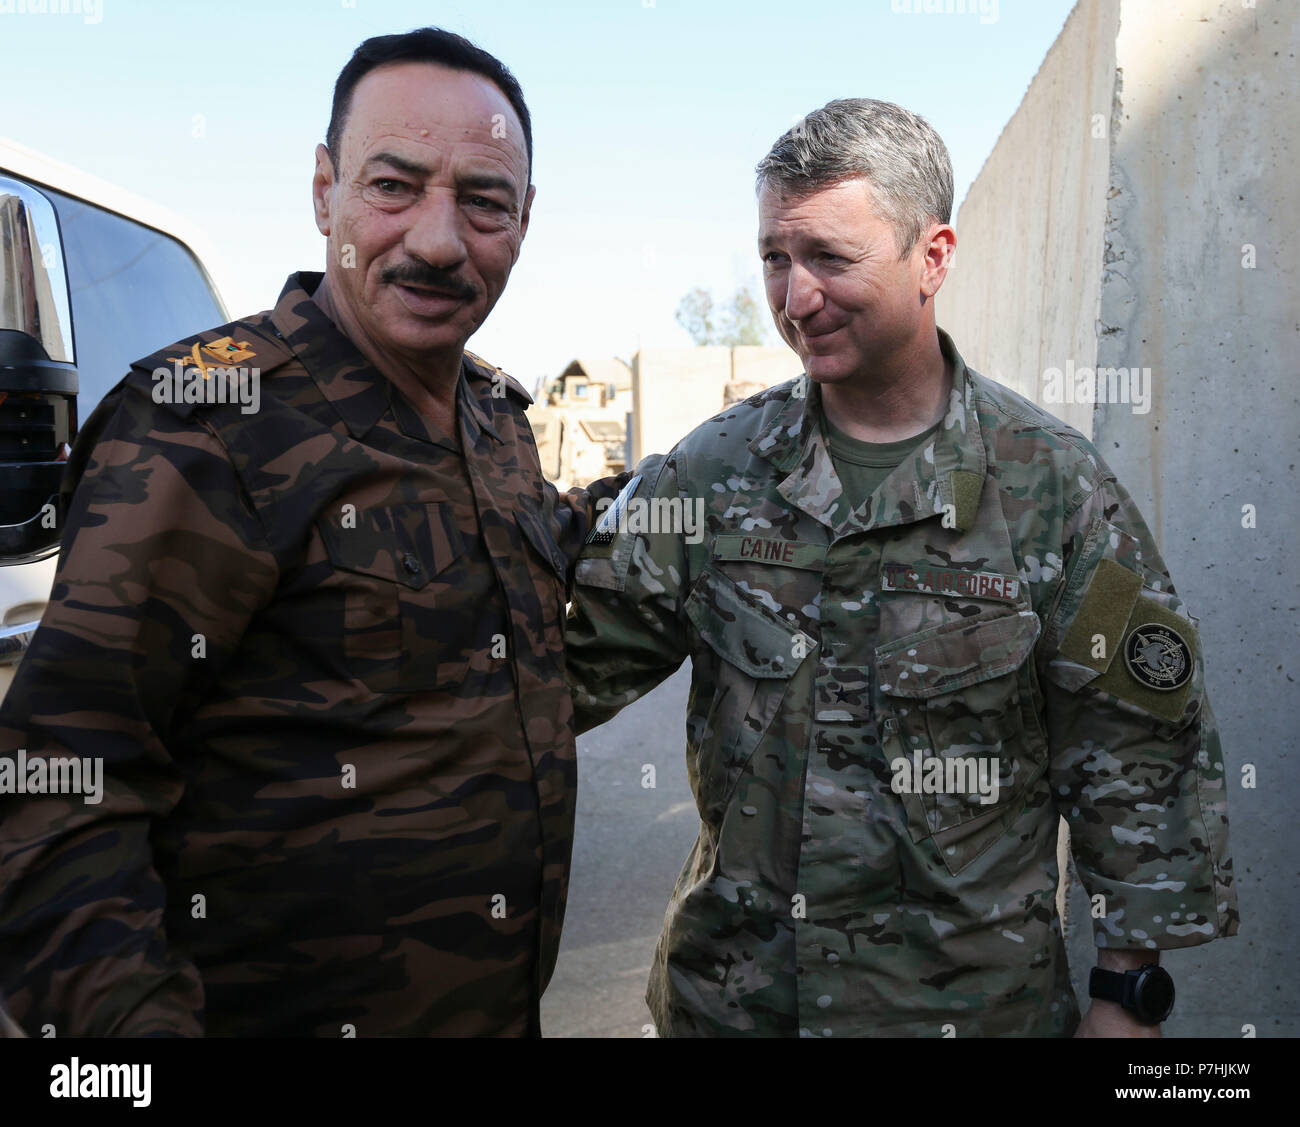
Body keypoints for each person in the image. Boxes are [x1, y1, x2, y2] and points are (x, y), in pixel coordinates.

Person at [564, 98, 1239, 1037]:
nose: (794, 298)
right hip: (738, 1007)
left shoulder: (1052, 487)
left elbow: (1135, 751)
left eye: (830, 260)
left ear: (933, 257)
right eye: (773, 258)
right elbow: (556, 674)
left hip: (969, 1011)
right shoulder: (712, 473)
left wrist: (1126, 999)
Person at [0, 27, 622, 1037]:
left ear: (524, 218)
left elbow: (539, 563)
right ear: (325, 190)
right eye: (394, 185)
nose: (435, 238)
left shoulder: (498, 426)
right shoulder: (208, 422)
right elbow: (60, 791)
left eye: (482, 200)